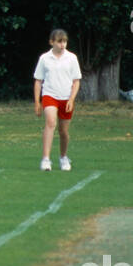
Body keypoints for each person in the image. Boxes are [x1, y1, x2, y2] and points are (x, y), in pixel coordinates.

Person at [32, 29, 81, 171]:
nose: (62, 45)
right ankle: (45, 159)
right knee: (50, 123)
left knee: (63, 131)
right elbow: (38, 81)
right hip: (49, 95)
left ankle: (63, 157)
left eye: (64, 41)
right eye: (59, 41)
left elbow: (76, 81)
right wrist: (37, 102)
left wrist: (71, 99)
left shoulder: (72, 58)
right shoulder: (44, 58)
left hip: (66, 97)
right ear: (51, 42)